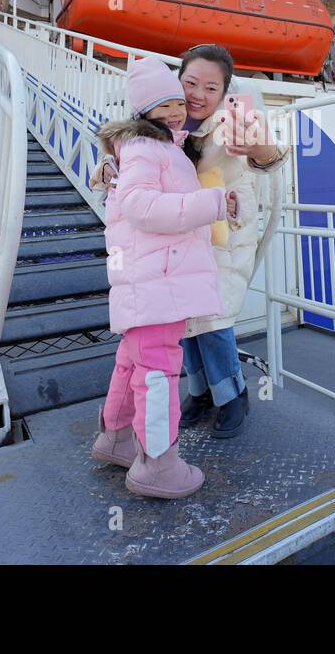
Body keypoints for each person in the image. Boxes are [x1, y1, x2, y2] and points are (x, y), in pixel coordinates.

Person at [93, 44, 289, 439]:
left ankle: (233, 395)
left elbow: (270, 156)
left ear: (224, 92)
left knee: (214, 324)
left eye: (211, 88)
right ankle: (201, 393)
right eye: (190, 83)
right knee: (185, 324)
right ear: (176, 83)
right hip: (181, 239)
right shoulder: (161, 122)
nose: (198, 95)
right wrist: (108, 168)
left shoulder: (233, 122)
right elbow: (124, 162)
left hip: (224, 239)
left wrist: (259, 148)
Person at [90, 57, 240, 499]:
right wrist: (211, 204)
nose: (178, 110)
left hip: (152, 279)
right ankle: (158, 465)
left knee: (134, 359)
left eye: (180, 100)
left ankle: (116, 438)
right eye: (166, 104)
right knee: (157, 371)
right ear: (144, 111)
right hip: (157, 279)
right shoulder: (149, 149)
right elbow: (141, 207)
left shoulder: (155, 148)